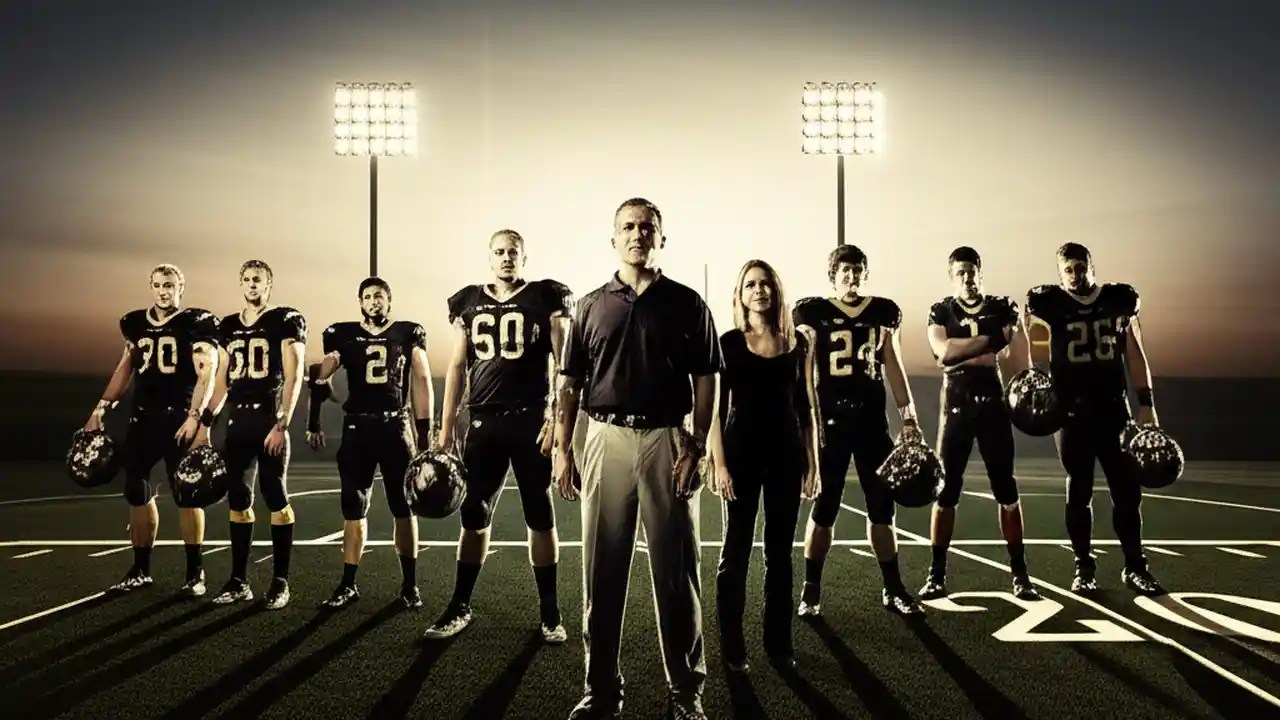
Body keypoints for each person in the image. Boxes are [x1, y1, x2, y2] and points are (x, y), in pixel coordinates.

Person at [553, 198, 720, 720]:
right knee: (601, 572)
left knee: (677, 573)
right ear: (613, 238)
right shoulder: (590, 305)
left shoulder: (687, 303)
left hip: (667, 440)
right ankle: (601, 690)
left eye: (648, 227)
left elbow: (708, 377)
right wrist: (562, 448)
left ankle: (686, 691)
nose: (637, 234)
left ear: (662, 238)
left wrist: (695, 443)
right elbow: (570, 383)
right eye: (627, 226)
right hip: (605, 437)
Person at [423, 230, 573, 643]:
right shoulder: (468, 302)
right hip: (483, 422)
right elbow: (456, 366)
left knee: (539, 513)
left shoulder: (544, 297)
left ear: (525, 256)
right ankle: (460, 605)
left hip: (530, 420)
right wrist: (446, 425)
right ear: (489, 257)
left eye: (513, 253)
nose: (506, 259)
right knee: (474, 515)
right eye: (499, 253)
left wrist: (556, 420)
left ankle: (550, 612)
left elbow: (563, 365)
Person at [1024, 243, 1164, 596]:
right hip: (1071, 413)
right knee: (1079, 488)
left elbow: (1134, 354)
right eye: (1068, 269)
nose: (1076, 274)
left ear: (1091, 265)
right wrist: (1042, 393)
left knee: (1127, 491)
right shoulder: (1048, 305)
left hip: (1114, 410)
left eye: (1080, 266)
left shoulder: (1118, 300)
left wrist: (1146, 403)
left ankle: (1135, 566)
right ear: (1060, 273)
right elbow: (1037, 356)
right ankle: (1084, 566)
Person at [793, 244, 925, 616]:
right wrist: (807, 423)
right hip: (831, 426)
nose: (850, 277)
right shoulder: (812, 313)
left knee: (881, 509)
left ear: (865, 274)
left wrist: (909, 416)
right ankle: (811, 590)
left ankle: (894, 588)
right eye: (844, 270)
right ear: (832, 274)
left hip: (871, 423)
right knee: (825, 509)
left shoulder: (881, 314)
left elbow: (893, 367)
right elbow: (805, 373)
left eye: (857, 270)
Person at [707, 259, 819, 673]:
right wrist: (718, 463)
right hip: (740, 457)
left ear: (776, 290)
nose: (759, 291)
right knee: (734, 553)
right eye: (751, 285)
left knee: (779, 556)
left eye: (765, 284)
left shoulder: (797, 344)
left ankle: (778, 645)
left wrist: (814, 463)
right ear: (740, 294)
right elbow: (716, 412)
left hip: (786, 458)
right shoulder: (730, 343)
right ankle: (733, 647)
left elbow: (806, 408)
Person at [83, 263, 218, 596]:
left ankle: (195, 573)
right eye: (158, 284)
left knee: (187, 494)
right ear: (151, 286)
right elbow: (124, 369)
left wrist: (195, 416)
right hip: (142, 418)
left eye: (170, 284)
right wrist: (100, 409)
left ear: (181, 287)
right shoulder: (134, 323)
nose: (163, 290)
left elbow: (208, 371)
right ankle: (140, 569)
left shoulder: (195, 323)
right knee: (136, 491)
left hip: (178, 419)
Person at [307, 277, 435, 609]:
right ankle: (348, 584)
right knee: (353, 506)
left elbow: (421, 379)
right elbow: (326, 369)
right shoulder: (344, 335)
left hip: (396, 427)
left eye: (379, 295)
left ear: (389, 301)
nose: (373, 301)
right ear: (359, 302)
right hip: (358, 429)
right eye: (367, 296)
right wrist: (318, 375)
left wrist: (425, 434)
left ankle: (410, 585)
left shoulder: (407, 333)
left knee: (403, 508)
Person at [920, 246, 1039, 601]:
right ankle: (936, 573)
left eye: (972, 271)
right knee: (946, 489)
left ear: (980, 272)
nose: (968, 278)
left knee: (1006, 487)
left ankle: (1020, 574)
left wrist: (967, 345)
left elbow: (1012, 351)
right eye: (961, 273)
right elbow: (945, 353)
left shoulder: (1001, 305)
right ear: (951, 277)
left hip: (992, 397)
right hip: (955, 400)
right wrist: (990, 340)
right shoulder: (941, 309)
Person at [200, 260, 306, 609]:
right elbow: (221, 381)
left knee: (275, 495)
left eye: (257, 280)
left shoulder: (283, 320)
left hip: (267, 418)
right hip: (237, 421)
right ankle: (239, 580)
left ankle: (280, 582)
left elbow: (294, 376)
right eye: (245, 279)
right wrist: (206, 420)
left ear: (269, 284)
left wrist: (282, 423)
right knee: (238, 499)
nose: (251, 285)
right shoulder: (228, 326)